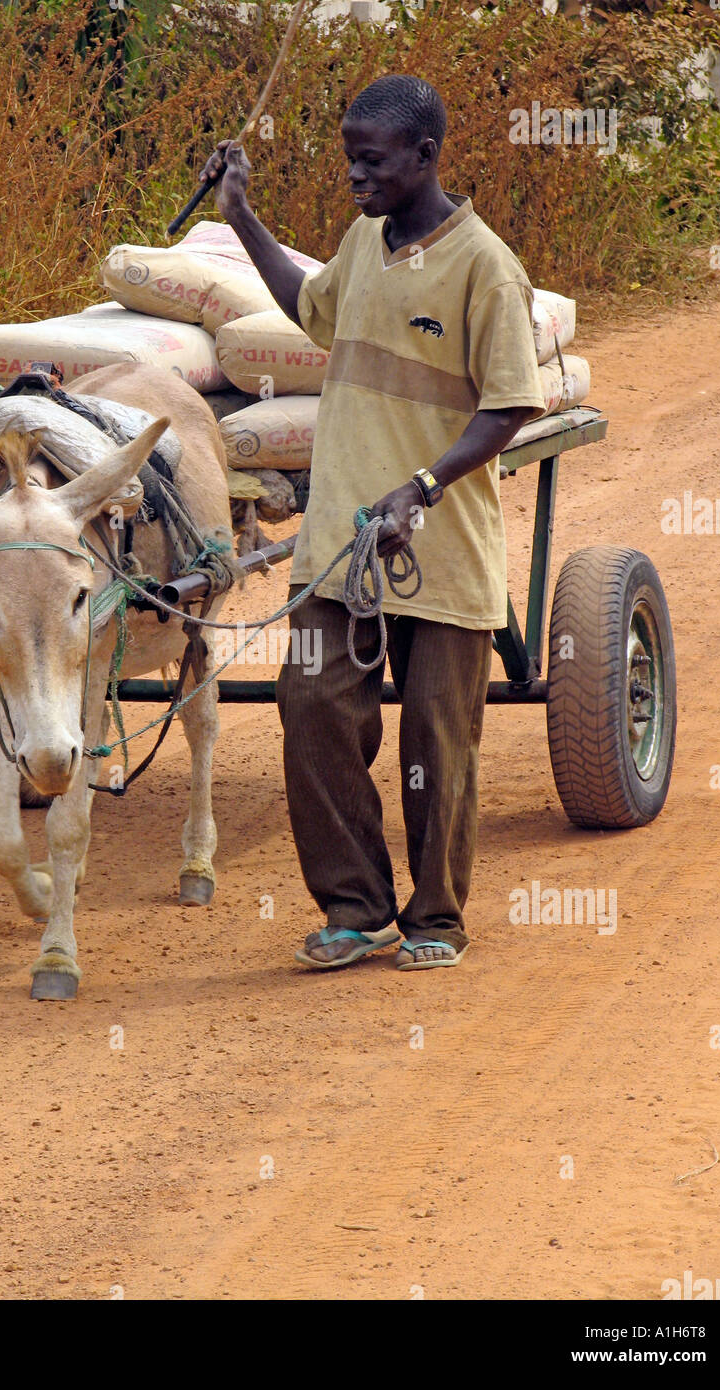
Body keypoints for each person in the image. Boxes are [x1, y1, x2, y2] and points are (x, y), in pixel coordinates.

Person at [200, 74, 546, 971]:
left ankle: (434, 916)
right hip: (336, 548)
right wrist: (240, 214)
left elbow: (510, 407)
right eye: (348, 156)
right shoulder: (361, 241)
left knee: (436, 735)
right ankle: (353, 908)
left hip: (438, 545)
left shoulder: (483, 266)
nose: (354, 174)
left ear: (425, 156)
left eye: (372, 160)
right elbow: (305, 305)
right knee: (311, 708)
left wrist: (422, 484)